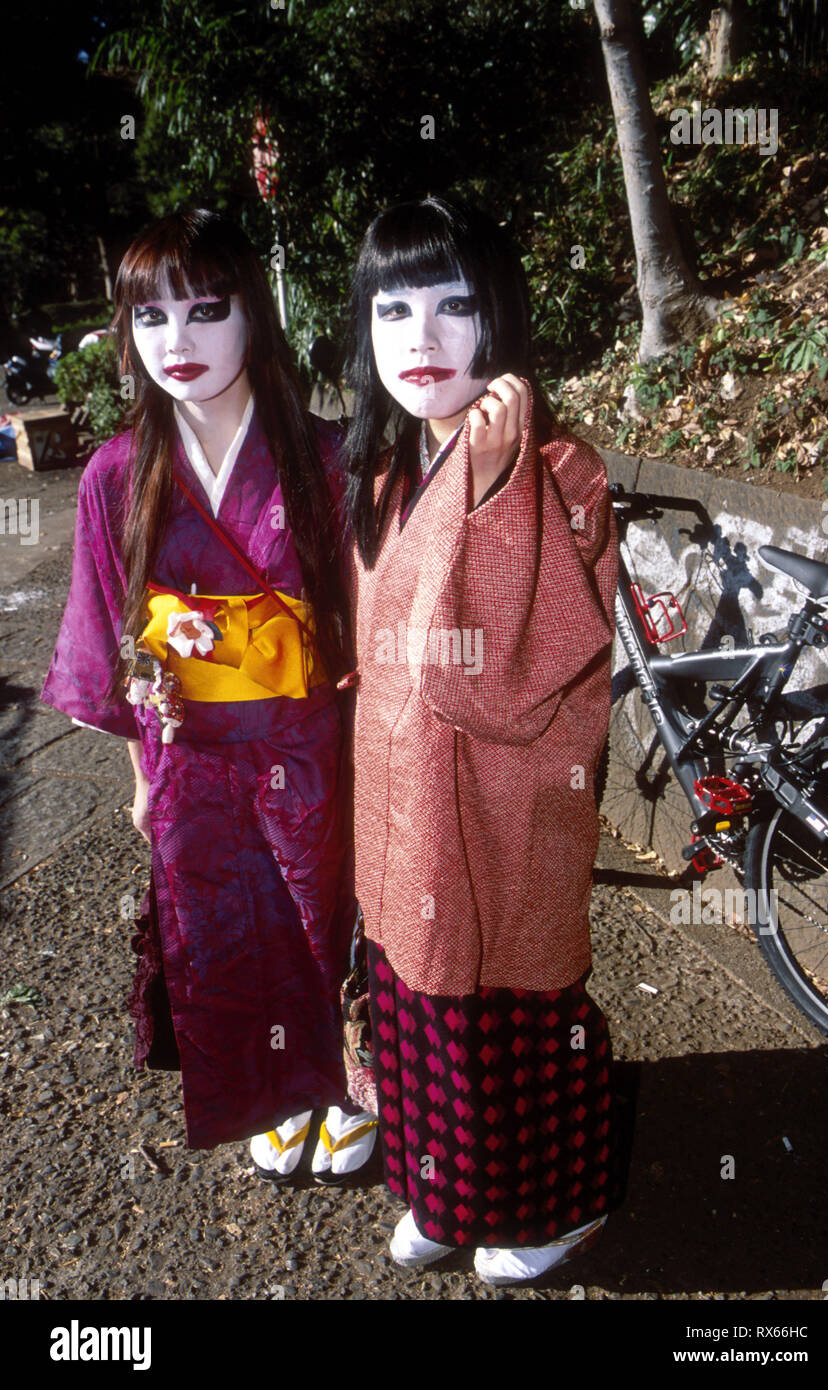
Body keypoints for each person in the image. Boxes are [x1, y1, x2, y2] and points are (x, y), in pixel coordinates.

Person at [42, 209, 376, 1180]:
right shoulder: (114, 474)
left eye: (207, 309)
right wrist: (139, 775)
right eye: (151, 318)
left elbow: (373, 608)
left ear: (253, 318)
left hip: (309, 742)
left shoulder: (325, 457)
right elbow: (112, 635)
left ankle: (352, 1080)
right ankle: (280, 1086)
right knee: (230, 929)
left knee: (325, 914)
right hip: (186, 752)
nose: (178, 342)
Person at [343, 194, 620, 1285]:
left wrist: (496, 489)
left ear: (499, 320)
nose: (422, 337)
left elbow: (495, 682)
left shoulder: (560, 471)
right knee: (415, 1003)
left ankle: (562, 1206)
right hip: (404, 800)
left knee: (508, 1019)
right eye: (393, 307)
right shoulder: (383, 469)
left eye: (455, 305)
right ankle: (439, 1186)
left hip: (506, 806)